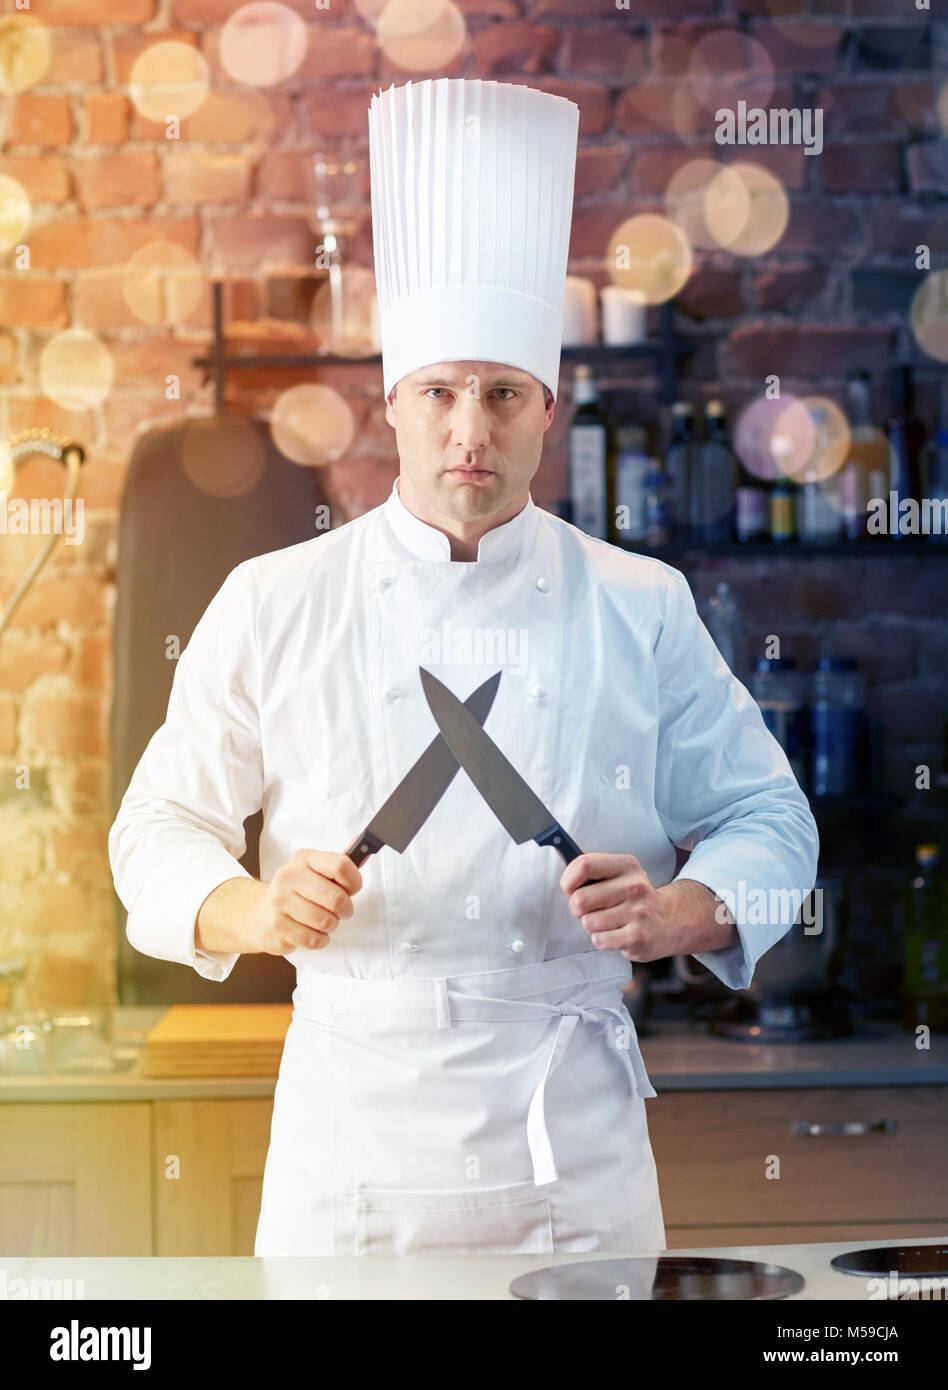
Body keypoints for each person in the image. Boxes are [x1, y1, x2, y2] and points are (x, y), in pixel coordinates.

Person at [109, 78, 819, 1256]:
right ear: (393, 403)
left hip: (572, 1171)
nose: (469, 432)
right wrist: (253, 905)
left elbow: (772, 821)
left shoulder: (638, 606)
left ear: (550, 407)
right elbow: (153, 833)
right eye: (440, 393)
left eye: (501, 395)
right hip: (354, 1173)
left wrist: (677, 912)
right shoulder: (276, 603)